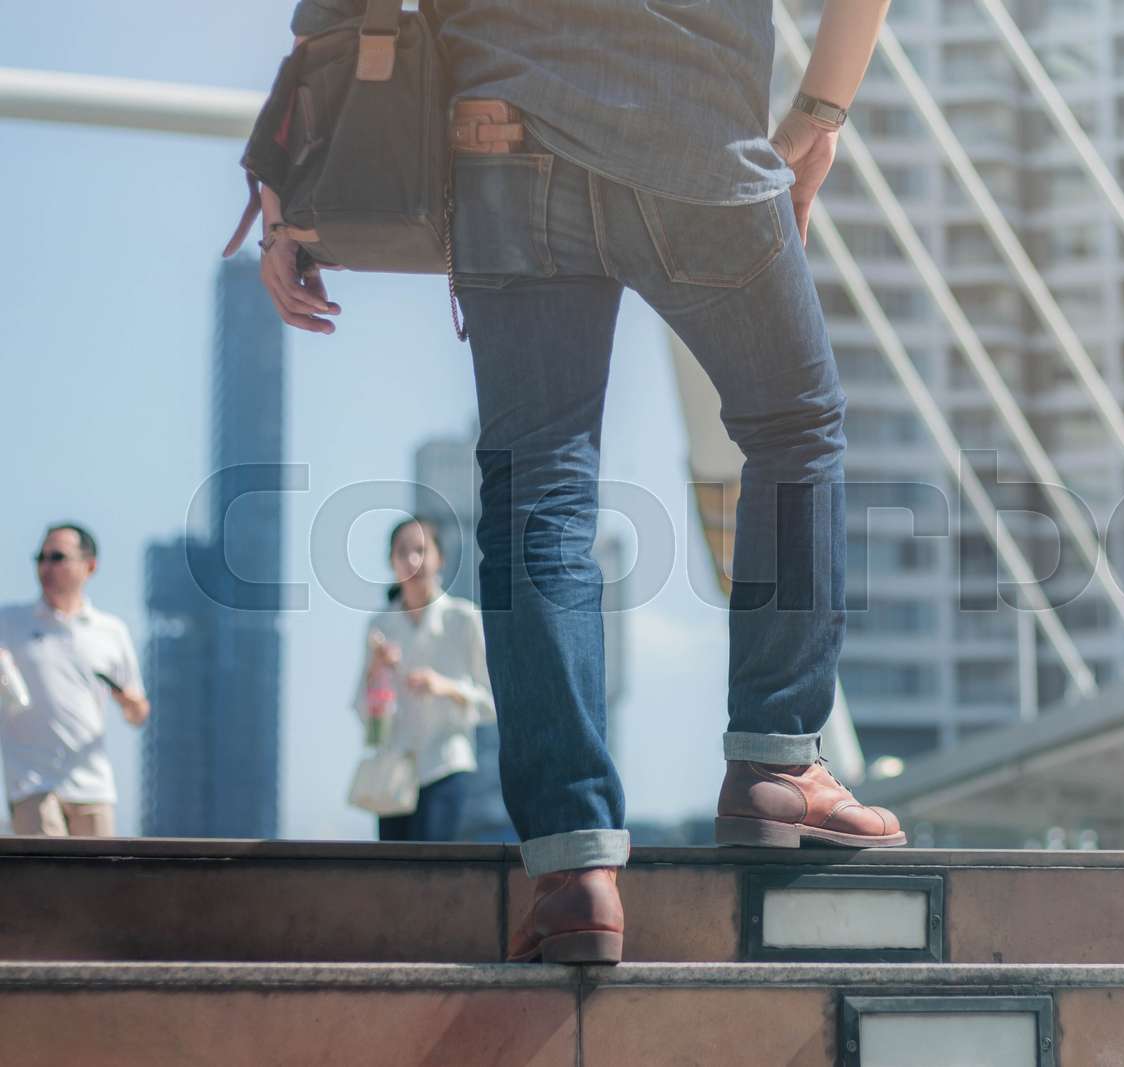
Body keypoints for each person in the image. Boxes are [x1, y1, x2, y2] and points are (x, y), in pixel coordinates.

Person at [263, 0, 903, 964]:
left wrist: (284, 193)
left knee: (538, 492)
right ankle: (779, 768)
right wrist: (818, 115)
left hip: (504, 144)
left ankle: (573, 870)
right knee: (792, 428)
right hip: (696, 136)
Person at [0, 524, 149, 837]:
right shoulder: (9, 622)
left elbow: (138, 714)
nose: (46, 567)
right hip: (31, 783)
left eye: (57, 557)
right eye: (40, 558)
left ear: (89, 566)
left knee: (99, 870)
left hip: (93, 786)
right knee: (48, 869)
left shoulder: (111, 631)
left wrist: (130, 703)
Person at [354, 517, 494, 842]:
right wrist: (376, 669)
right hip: (394, 769)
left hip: (445, 764)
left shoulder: (463, 618)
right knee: (392, 866)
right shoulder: (380, 626)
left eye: (421, 550)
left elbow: (492, 702)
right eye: (402, 552)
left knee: (431, 861)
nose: (412, 560)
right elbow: (363, 710)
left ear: (439, 558)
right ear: (391, 562)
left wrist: (444, 687)